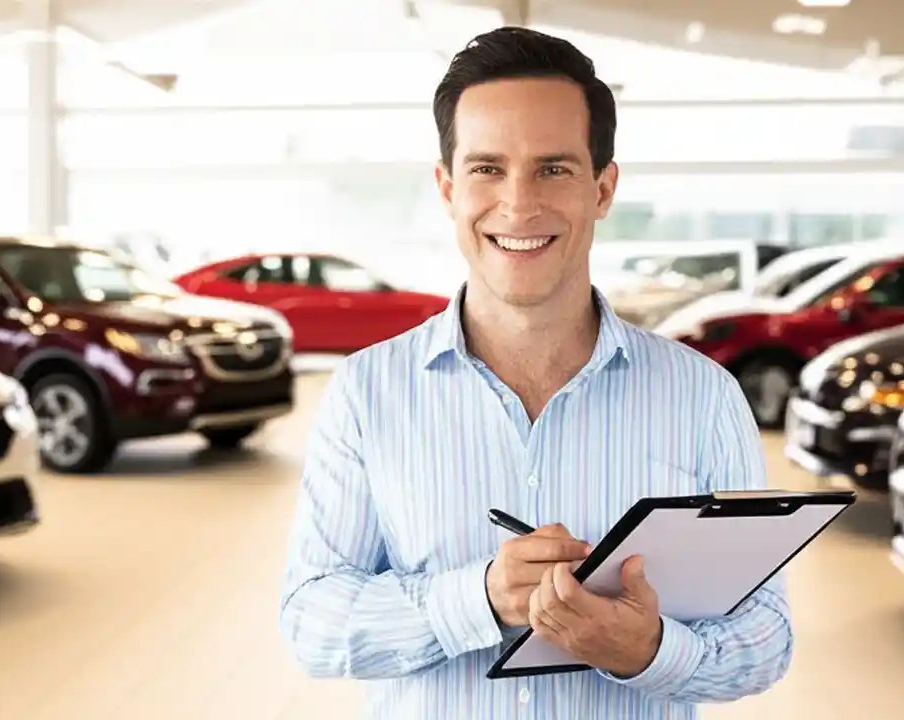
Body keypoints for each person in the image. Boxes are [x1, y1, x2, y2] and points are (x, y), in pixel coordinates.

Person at [279, 27, 793, 718]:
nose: (519, 205)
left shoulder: (703, 397)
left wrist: (647, 651)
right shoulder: (367, 393)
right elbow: (312, 622)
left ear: (603, 188)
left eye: (553, 168)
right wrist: (478, 596)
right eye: (488, 168)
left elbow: (766, 637)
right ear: (447, 187)